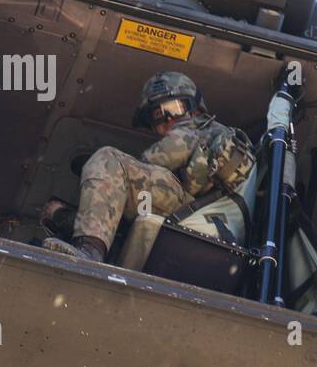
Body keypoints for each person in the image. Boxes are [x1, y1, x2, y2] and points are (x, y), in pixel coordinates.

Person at [42, 71, 254, 262]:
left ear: (196, 108)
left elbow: (155, 160)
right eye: (158, 116)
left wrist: (106, 169)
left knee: (107, 158)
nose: (168, 119)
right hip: (188, 216)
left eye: (175, 109)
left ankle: (90, 252)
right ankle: (86, 235)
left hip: (197, 211)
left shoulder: (201, 131)